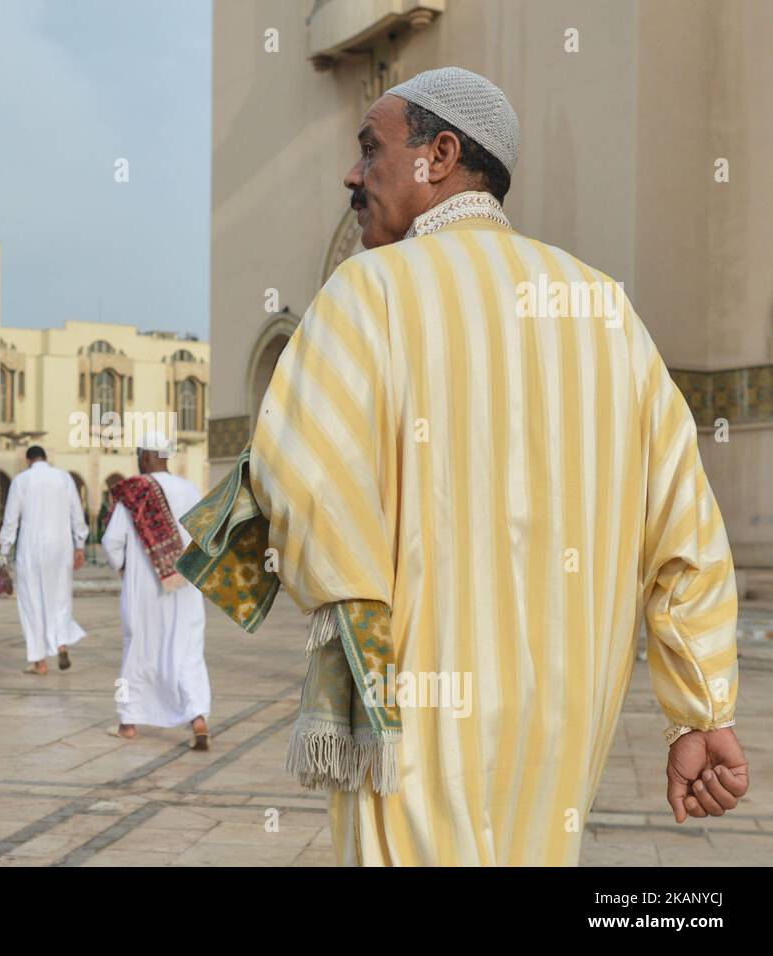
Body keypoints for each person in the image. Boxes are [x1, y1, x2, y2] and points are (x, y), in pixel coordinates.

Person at [210, 66, 747, 865]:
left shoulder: (368, 293)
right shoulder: (604, 310)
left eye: (370, 149)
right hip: (560, 730)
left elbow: (298, 472)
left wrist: (341, 600)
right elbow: (687, 531)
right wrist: (703, 713)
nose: (351, 175)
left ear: (442, 154)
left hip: (411, 715)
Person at [102, 433, 211, 749]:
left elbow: (111, 543)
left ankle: (128, 722)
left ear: (147, 456)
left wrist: (123, 568)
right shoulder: (190, 489)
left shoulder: (135, 490)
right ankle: (198, 718)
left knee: (137, 649)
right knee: (188, 650)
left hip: (144, 588)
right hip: (186, 584)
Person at [0, 445, 89, 675]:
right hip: (60, 547)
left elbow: (11, 520)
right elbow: (77, 513)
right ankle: (61, 643)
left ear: (29, 461)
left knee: (32, 602)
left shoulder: (21, 480)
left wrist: (4, 551)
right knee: (60, 598)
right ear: (46, 459)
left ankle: (40, 661)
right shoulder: (64, 478)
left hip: (31, 549)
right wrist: (80, 545)